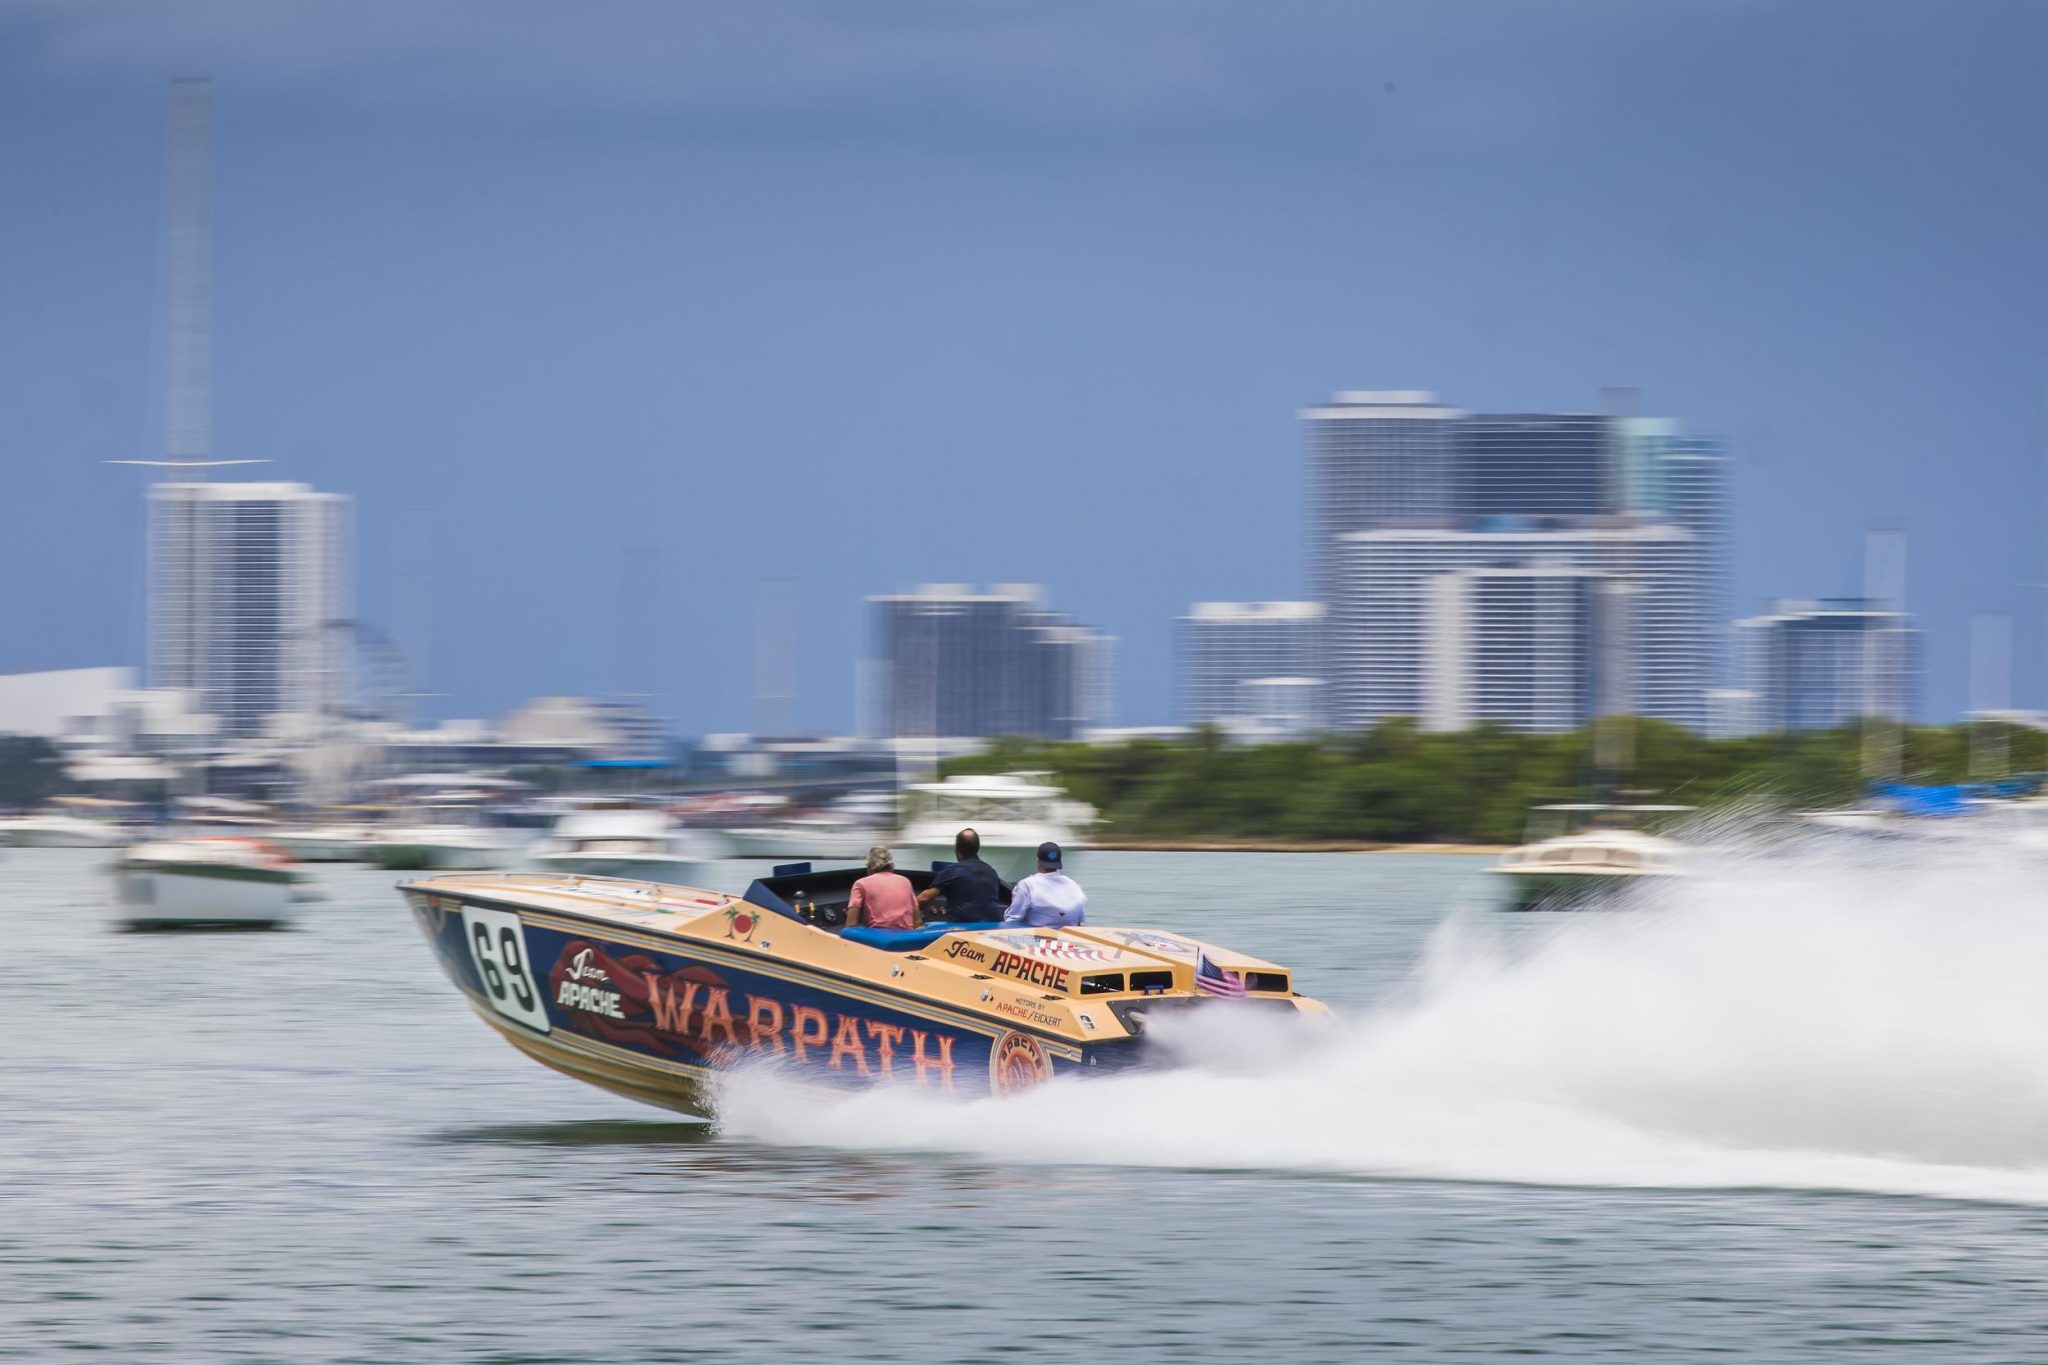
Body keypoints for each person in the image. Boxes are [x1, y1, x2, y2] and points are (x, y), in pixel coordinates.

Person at [916, 827, 1010, 923]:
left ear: (956, 848)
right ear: (978, 848)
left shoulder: (952, 872)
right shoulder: (991, 872)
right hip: (992, 929)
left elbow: (924, 898)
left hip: (963, 930)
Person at [1001, 842, 1085, 928]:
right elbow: (1081, 922)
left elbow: (1012, 920)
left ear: (1038, 861)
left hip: (1038, 935)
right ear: (1059, 862)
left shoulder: (1026, 885)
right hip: (1069, 935)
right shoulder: (1074, 885)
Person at [846, 846, 919, 931]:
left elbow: (851, 925)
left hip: (877, 937)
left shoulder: (860, 884)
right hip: (906, 936)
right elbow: (917, 922)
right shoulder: (905, 881)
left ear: (869, 867)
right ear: (891, 866)